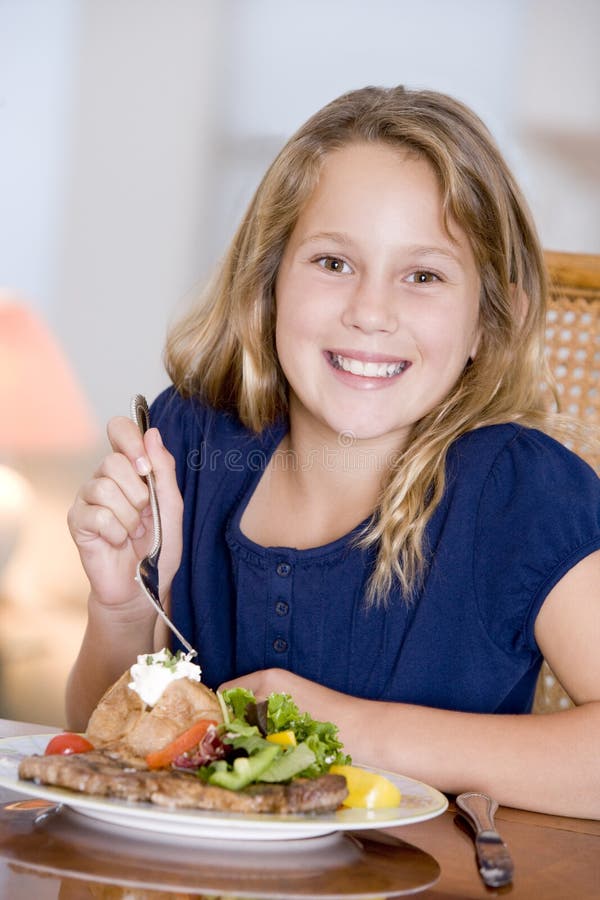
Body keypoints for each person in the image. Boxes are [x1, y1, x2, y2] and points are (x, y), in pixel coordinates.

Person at [66, 85, 600, 819]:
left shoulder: (519, 493)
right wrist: (124, 606)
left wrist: (347, 729)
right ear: (270, 282)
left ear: (488, 321)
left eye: (423, 276)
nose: (371, 312)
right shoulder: (190, 442)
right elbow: (103, 742)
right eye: (333, 263)